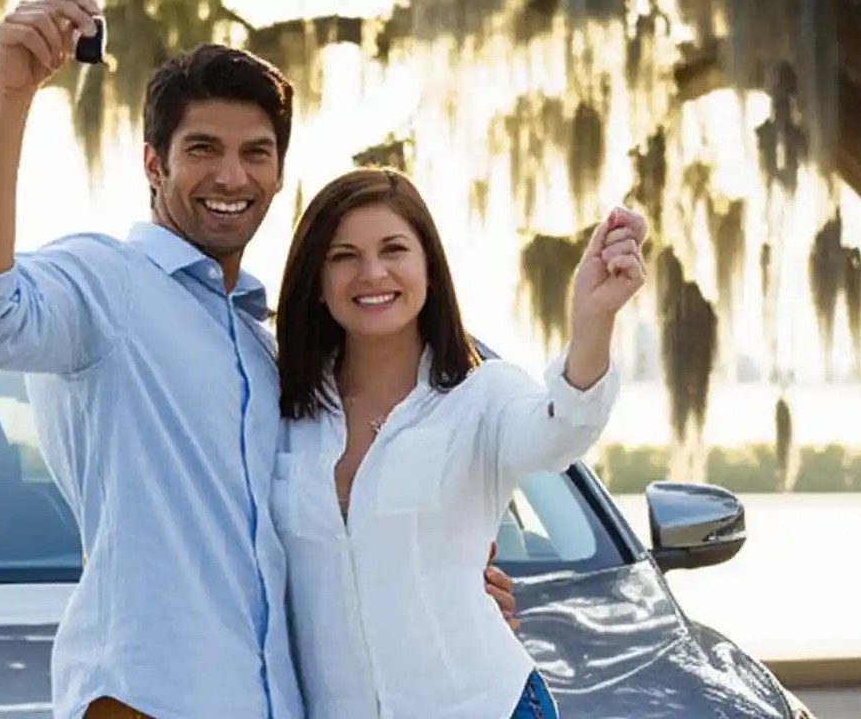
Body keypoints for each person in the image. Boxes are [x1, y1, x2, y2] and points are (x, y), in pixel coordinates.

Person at [0, 1, 517, 717]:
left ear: (278, 174)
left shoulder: (274, 360)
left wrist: (438, 600)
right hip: (146, 701)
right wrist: (8, 96)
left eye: (254, 153)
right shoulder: (109, 286)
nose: (231, 176)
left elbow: (333, 538)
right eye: (202, 149)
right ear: (152, 162)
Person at [272, 168, 646, 718]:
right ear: (318, 282)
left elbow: (560, 434)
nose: (372, 273)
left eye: (394, 249)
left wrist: (593, 319)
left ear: (429, 268)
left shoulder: (484, 395)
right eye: (343, 255)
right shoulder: (280, 407)